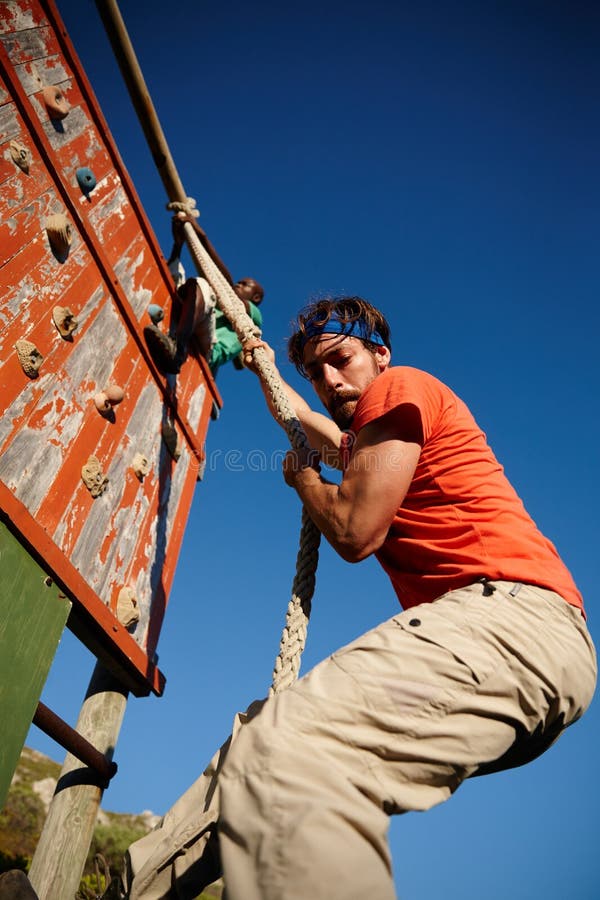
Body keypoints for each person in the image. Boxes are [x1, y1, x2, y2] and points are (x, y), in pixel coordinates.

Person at [207, 295, 596, 899]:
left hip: (511, 623)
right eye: (318, 372)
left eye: (342, 360)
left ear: (380, 356)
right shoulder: (376, 438)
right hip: (529, 655)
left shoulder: (399, 388)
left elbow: (356, 529)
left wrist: (304, 478)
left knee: (291, 749)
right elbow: (312, 425)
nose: (332, 380)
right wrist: (268, 370)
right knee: (245, 763)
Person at [144, 213, 264, 375]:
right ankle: (177, 247)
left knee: (203, 287)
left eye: (245, 285)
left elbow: (226, 285)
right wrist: (178, 244)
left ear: (256, 297)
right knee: (188, 284)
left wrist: (202, 236)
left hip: (209, 349)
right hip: (196, 322)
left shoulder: (253, 316)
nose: (238, 284)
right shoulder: (215, 303)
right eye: (239, 282)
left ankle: (178, 350)